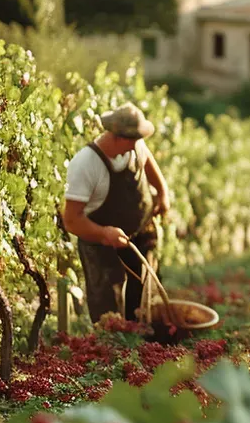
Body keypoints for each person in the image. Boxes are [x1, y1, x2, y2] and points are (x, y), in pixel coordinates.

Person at [62, 103, 171, 323]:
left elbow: (148, 161)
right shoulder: (86, 164)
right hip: (100, 243)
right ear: (117, 137)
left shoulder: (135, 146)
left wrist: (162, 193)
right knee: (108, 313)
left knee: (141, 300)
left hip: (139, 233)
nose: (138, 144)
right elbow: (71, 221)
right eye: (133, 140)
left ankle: (140, 346)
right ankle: (112, 352)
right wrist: (104, 233)